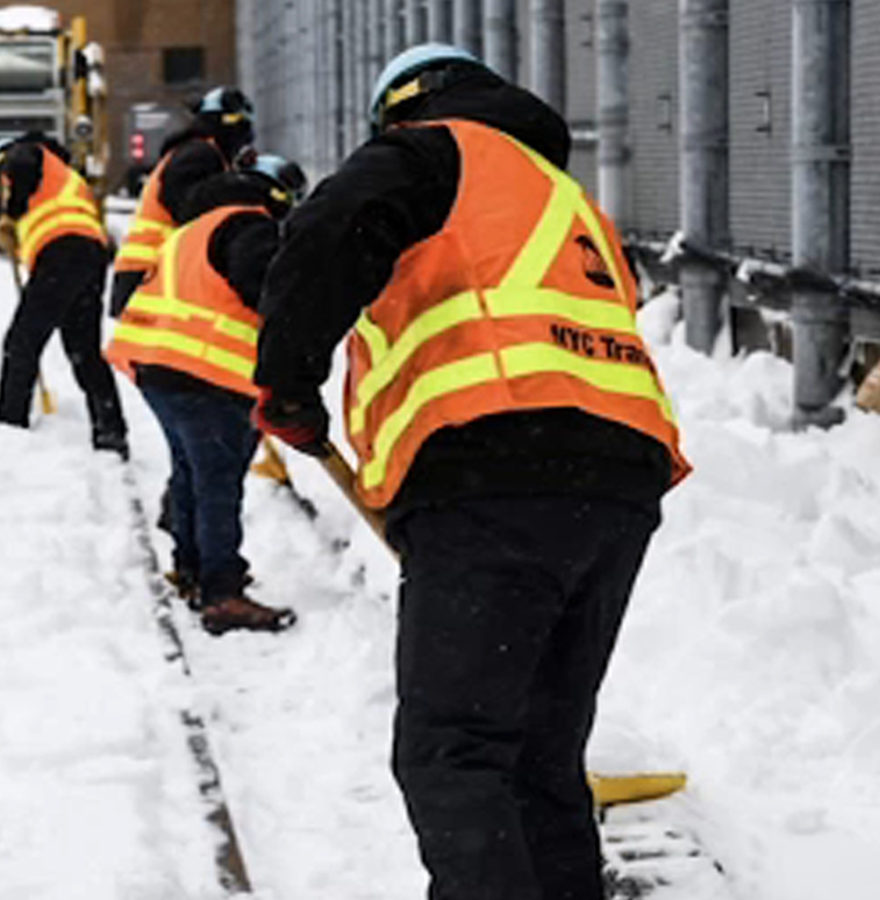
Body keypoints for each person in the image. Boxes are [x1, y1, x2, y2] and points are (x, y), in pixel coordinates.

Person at [251, 45, 692, 900]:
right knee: (536, 756)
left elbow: (325, 228)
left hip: (493, 464)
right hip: (616, 483)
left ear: (403, 109)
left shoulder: (433, 149)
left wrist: (290, 381)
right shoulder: (568, 202)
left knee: (452, 751)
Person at [107, 154, 308, 635]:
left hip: (161, 369)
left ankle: (192, 568)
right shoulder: (248, 225)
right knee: (218, 479)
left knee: (192, 471)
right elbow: (266, 289)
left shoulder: (193, 228)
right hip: (205, 373)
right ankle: (222, 593)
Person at [0, 133, 128, 458]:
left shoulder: (27, 153)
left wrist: (11, 211)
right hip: (89, 256)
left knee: (22, 340)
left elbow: (21, 167)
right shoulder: (63, 176)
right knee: (84, 351)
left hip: (62, 254)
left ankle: (10, 421)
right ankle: (111, 433)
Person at [110, 86, 257, 317]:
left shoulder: (201, 152)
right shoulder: (199, 154)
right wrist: (240, 186)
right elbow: (189, 207)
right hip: (153, 274)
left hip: (154, 274)